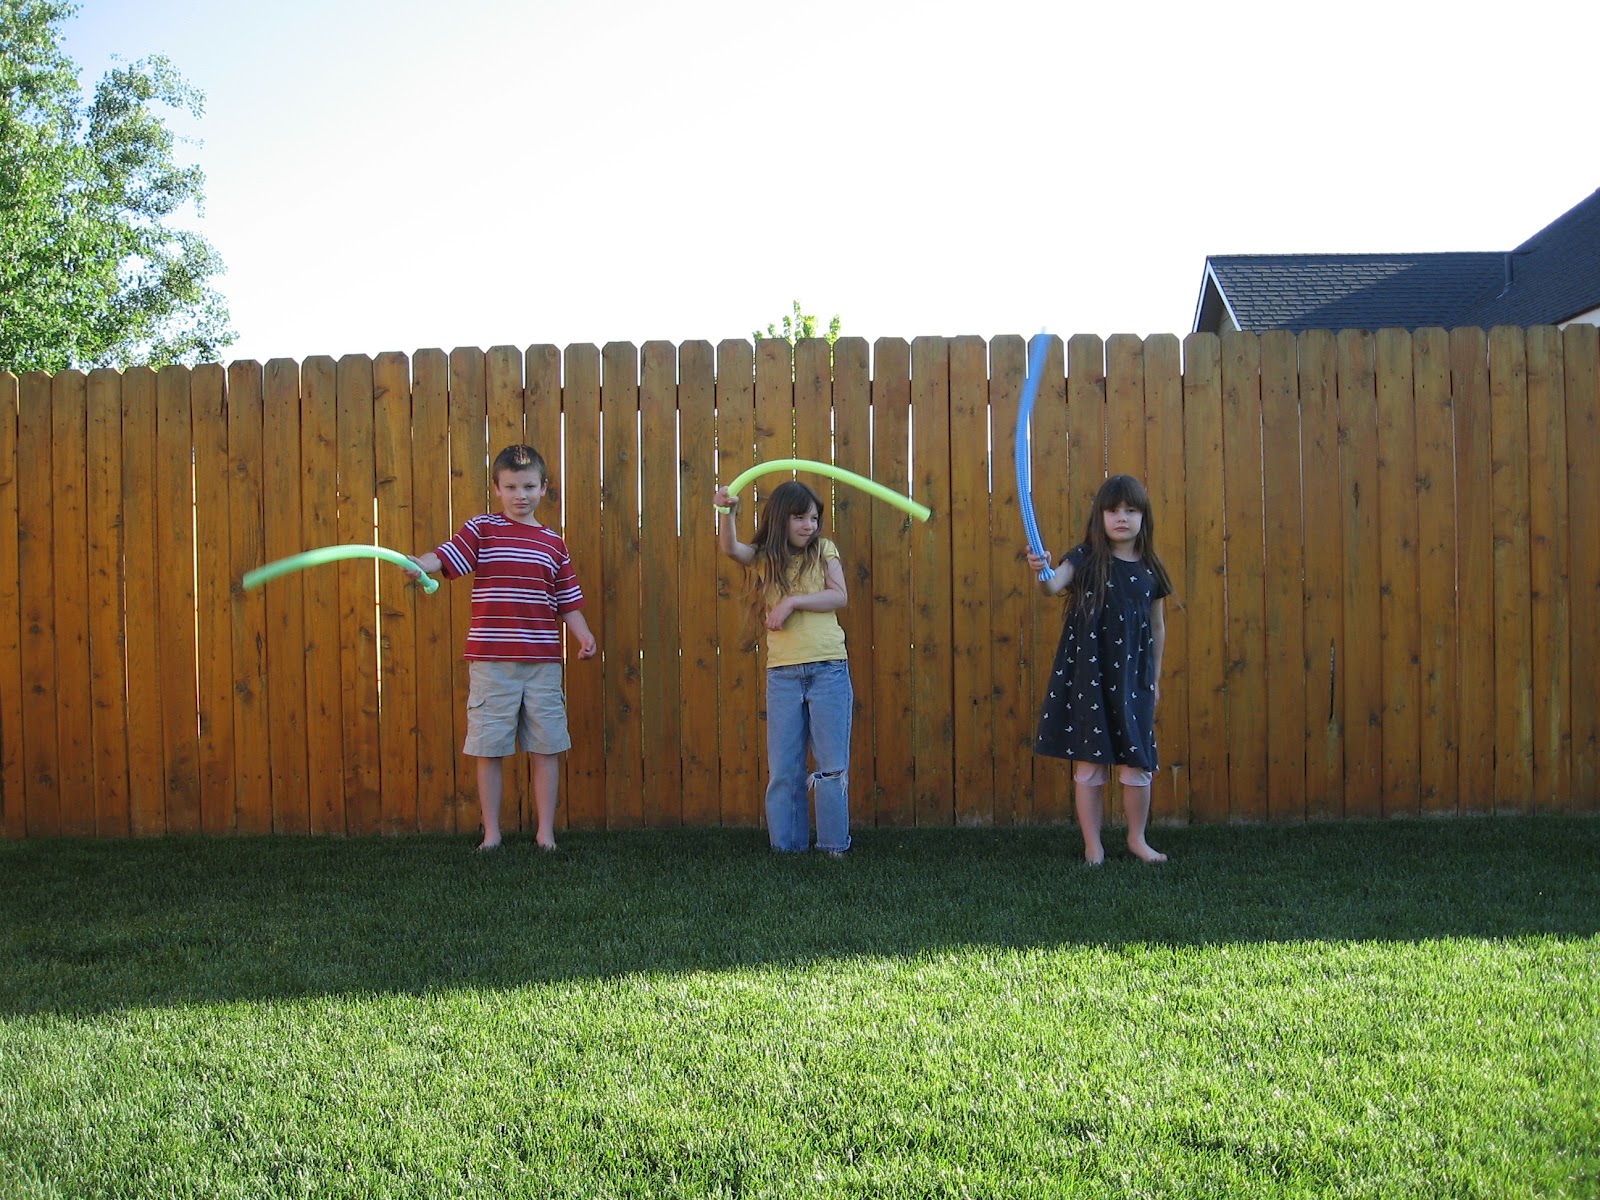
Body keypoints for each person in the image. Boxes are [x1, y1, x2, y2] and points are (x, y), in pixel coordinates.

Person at [408, 445, 596, 853]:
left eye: (528, 486)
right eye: (510, 487)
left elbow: (567, 600)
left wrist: (583, 635)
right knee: (489, 748)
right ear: (496, 488)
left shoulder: (553, 544)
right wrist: (420, 564)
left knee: (546, 747)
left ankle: (545, 834)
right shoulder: (483, 530)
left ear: (543, 488)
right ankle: (491, 834)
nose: (519, 495)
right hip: (492, 663)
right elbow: (443, 556)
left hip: (543, 664)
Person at [1027, 474, 1172, 865]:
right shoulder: (1084, 557)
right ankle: (1093, 846)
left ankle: (1137, 839)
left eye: (1131, 510)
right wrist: (1041, 570)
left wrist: (1154, 679)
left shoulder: (1151, 570)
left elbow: (1158, 627)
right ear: (1100, 516)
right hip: (1089, 678)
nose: (1121, 517)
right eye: (1113, 511)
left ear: (1144, 517)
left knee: (1138, 763)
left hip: (1133, 681)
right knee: (1090, 765)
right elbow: (1052, 586)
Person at [714, 479, 853, 855]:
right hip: (784, 675)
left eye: (814, 518)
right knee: (784, 768)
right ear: (780, 519)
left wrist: (792, 602)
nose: (809, 525)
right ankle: (787, 848)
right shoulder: (766, 556)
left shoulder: (824, 549)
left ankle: (833, 846)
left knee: (832, 767)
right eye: (799, 518)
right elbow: (731, 548)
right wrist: (727, 512)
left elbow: (839, 595)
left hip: (828, 670)